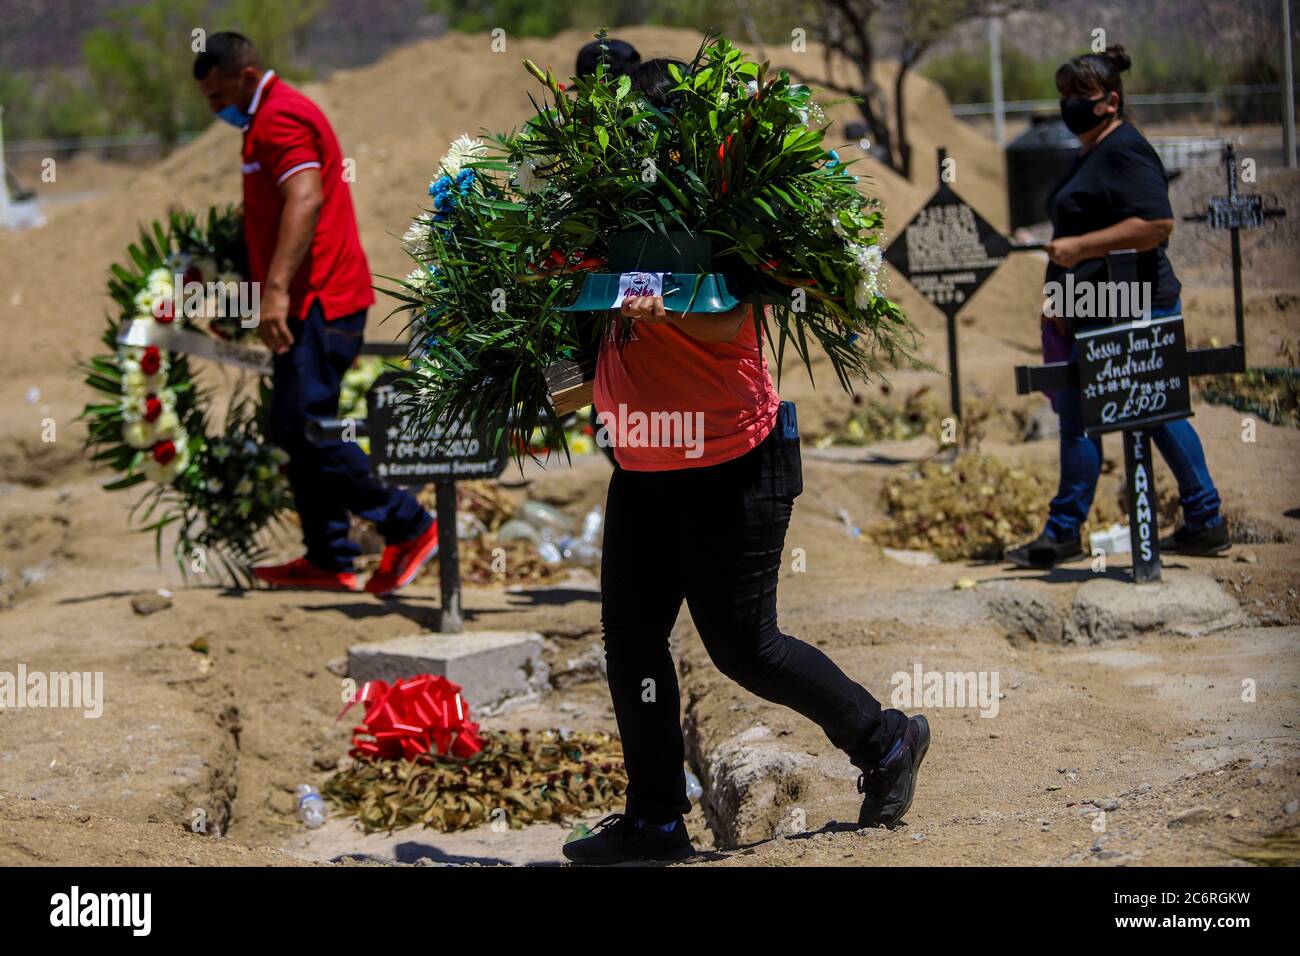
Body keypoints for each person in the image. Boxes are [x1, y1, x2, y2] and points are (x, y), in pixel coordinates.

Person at [562, 60, 930, 866]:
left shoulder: (726, 214)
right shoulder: (599, 223)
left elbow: (728, 305)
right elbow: (573, 342)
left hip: (732, 464)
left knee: (744, 647)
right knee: (631, 644)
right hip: (642, 469)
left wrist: (647, 287)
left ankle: (886, 739)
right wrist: (551, 386)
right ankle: (657, 818)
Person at [193, 33, 438, 595]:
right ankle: (330, 557)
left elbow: (305, 199)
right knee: (293, 426)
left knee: (310, 426)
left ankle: (410, 525)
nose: (215, 110)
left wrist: (274, 291)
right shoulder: (265, 121)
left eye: (218, 96)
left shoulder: (280, 117)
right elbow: (272, 208)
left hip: (320, 302)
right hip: (303, 302)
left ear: (249, 78)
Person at [1007, 45, 1228, 570]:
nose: (1068, 106)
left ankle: (1204, 518)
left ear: (1109, 100)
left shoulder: (1126, 149)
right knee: (1079, 418)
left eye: (1077, 96)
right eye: (1063, 96)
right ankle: (1064, 532)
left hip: (1134, 305)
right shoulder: (1090, 151)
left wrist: (1080, 250)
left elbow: (1156, 225)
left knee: (1153, 408)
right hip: (1091, 307)